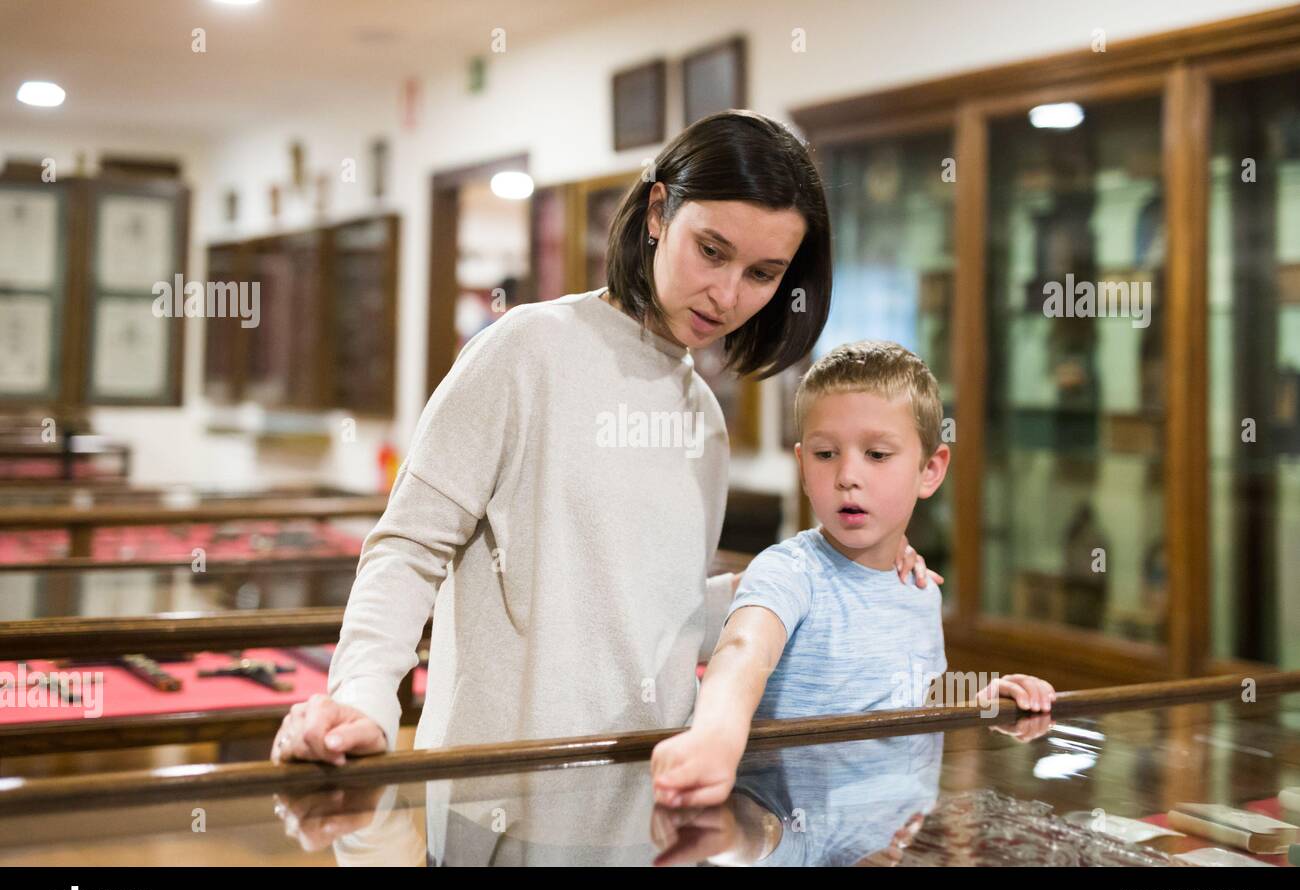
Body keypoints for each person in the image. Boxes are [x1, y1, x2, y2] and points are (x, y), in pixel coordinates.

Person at [272, 111, 939, 767]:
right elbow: (408, 547)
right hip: (498, 797)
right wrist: (362, 699)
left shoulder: (704, 417)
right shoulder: (526, 349)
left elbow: (660, 620)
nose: (728, 294)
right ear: (657, 213)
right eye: (711, 251)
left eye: (762, 274)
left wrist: (843, 570)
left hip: (649, 801)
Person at [650, 340, 1056, 807]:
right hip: (786, 831)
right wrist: (715, 736)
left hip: (887, 833)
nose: (847, 475)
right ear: (803, 466)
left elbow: (905, 708)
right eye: (826, 454)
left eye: (877, 455)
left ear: (930, 470)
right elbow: (744, 649)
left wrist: (980, 702)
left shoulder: (919, 589)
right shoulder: (789, 571)